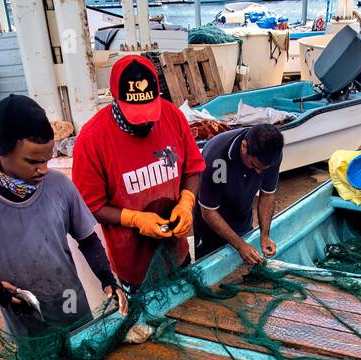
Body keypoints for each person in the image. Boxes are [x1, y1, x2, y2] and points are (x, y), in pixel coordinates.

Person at [0, 95, 128, 347]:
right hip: (26, 321)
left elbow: (87, 238)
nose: (43, 169)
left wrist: (107, 279)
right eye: (33, 162)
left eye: (47, 160)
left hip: (73, 306)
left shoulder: (60, 185)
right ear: (2, 151)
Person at [72, 54, 205, 289]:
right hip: (133, 266)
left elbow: (193, 169)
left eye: (149, 113)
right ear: (116, 99)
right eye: (136, 115)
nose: (144, 123)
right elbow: (91, 206)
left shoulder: (172, 115)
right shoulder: (92, 139)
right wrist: (134, 219)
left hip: (177, 252)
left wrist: (187, 202)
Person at [194, 123, 285, 263]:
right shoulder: (217, 159)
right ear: (244, 147)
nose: (259, 173)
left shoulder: (272, 155)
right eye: (255, 166)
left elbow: (267, 195)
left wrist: (265, 236)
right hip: (210, 223)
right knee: (209, 264)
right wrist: (240, 245)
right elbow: (208, 212)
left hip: (242, 214)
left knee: (246, 261)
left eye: (264, 169)